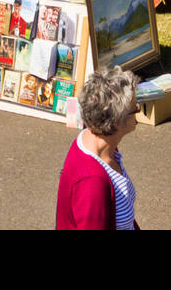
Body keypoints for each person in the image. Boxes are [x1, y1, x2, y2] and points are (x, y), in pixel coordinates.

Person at [56, 66, 141, 230]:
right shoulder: (92, 184)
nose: (139, 111)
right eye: (135, 108)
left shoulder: (98, 143)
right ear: (116, 120)